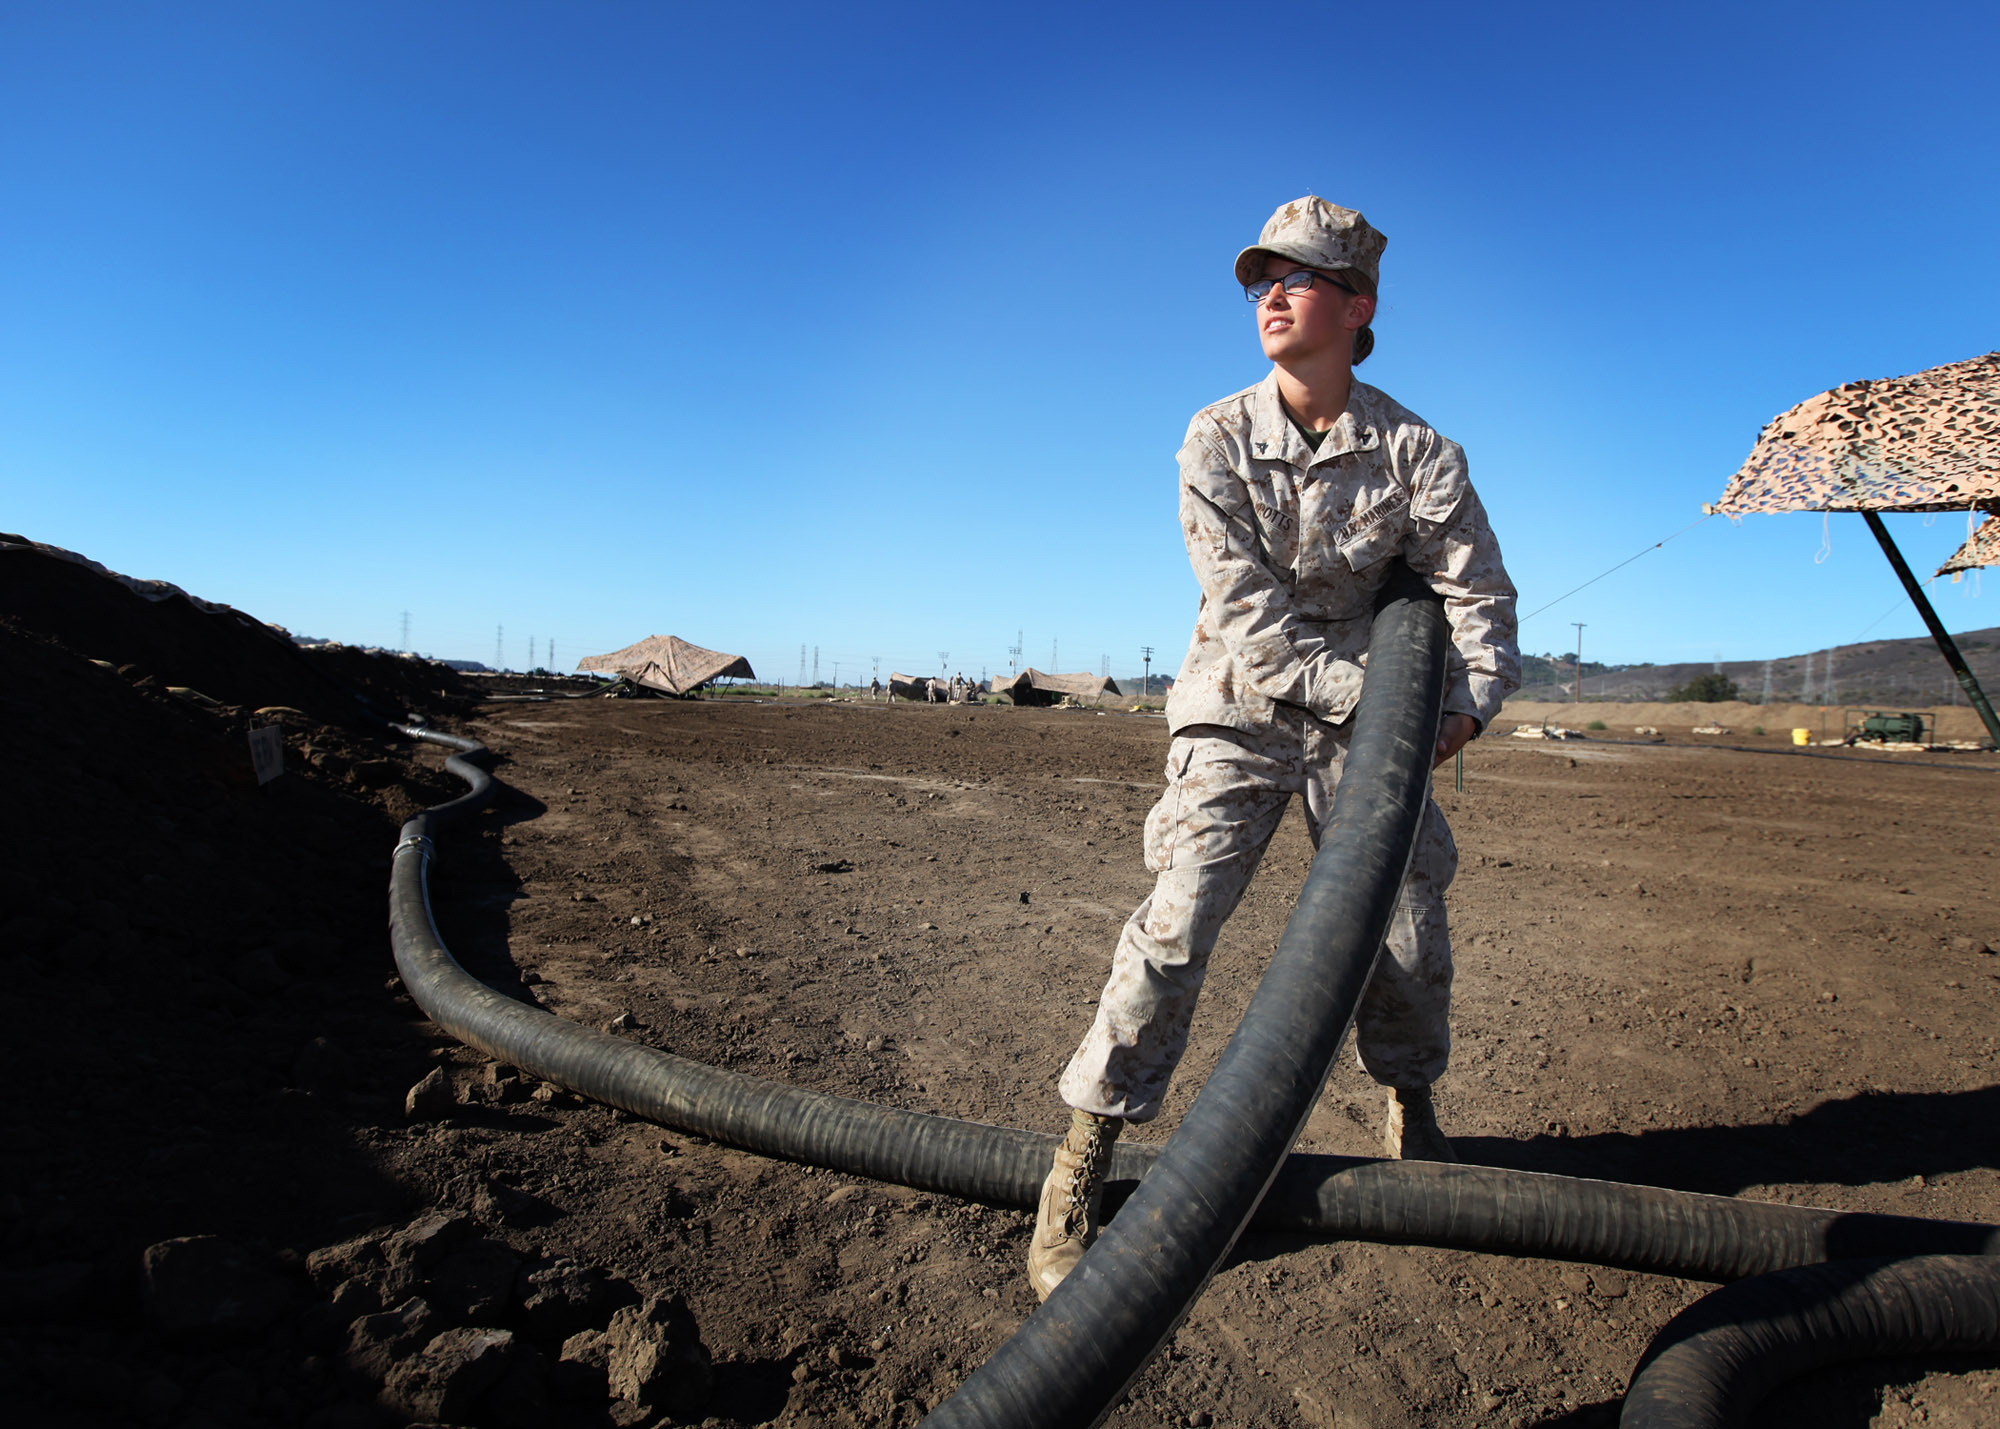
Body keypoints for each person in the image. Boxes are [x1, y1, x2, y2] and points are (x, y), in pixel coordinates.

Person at [1026, 196, 1519, 1300]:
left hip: (1374, 718)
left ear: (1357, 306)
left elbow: (1476, 593)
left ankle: (1411, 1106)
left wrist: (1468, 704)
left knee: (1402, 925)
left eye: (1295, 278)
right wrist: (1377, 702)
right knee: (1177, 919)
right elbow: (1247, 619)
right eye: (1259, 280)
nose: (1270, 297)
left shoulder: (1416, 453)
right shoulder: (1211, 436)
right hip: (1242, 702)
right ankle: (1081, 1157)